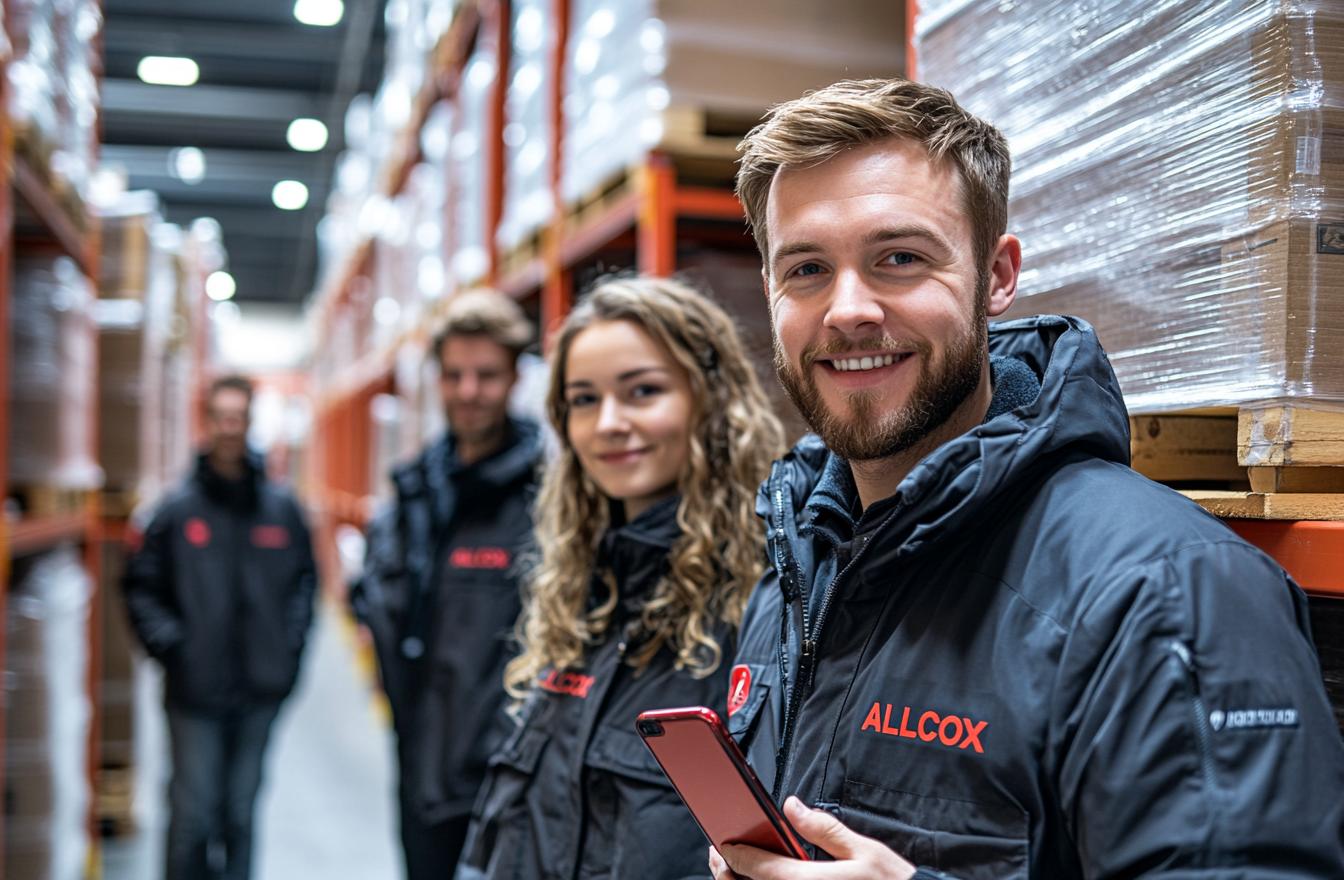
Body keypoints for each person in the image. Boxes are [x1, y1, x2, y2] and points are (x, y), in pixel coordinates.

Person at [709, 78, 1344, 880]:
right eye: (805, 269)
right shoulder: (801, 569)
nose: (848, 310)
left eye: (899, 259)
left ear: (998, 277)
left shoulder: (1168, 590)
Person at [455, 276, 785, 879]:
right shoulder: (578, 590)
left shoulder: (763, 604)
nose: (608, 422)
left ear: (709, 402)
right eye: (584, 399)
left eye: (642, 391)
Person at [352, 289, 544, 880]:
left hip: (499, 779)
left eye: (486, 375)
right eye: (455, 375)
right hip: (417, 759)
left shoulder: (546, 498)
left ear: (515, 377)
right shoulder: (416, 489)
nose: (468, 391)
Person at [123, 374, 317, 880]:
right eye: (221, 417)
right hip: (195, 693)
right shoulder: (176, 512)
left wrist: (288, 654)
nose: (230, 428)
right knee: (193, 815)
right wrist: (173, 648)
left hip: (259, 690)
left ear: (250, 422)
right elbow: (140, 586)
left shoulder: (281, 510)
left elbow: (304, 587)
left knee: (239, 815)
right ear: (206, 422)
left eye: (239, 417)